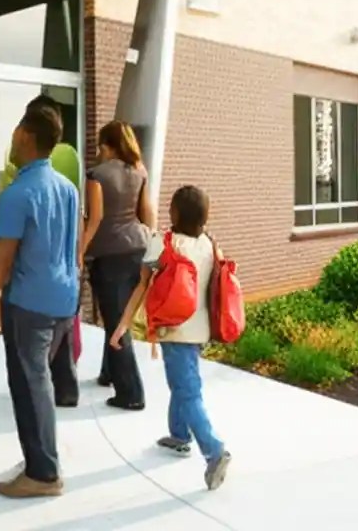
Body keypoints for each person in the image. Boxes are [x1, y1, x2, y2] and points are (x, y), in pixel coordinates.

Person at [0, 106, 80, 499]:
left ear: (26, 136)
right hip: (64, 301)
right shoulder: (67, 188)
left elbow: (1, 261)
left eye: (15, 129)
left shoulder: (17, 194)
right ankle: (38, 459)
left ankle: (44, 473)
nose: (11, 136)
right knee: (39, 383)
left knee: (31, 387)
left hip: (30, 305)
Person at [110, 185, 233, 492]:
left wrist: (122, 324)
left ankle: (213, 451)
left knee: (186, 390)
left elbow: (142, 286)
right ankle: (179, 436)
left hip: (173, 330)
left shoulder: (162, 243)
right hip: (200, 330)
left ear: (175, 212)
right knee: (185, 382)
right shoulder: (210, 244)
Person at [9, 94, 82, 407]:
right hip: (65, 286)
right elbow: (74, 231)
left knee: (34, 379)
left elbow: (8, 251)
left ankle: (43, 455)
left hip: (34, 290)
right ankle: (66, 390)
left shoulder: (24, 184)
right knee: (51, 360)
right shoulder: (67, 175)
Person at [81, 121, 154, 410]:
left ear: (105, 145)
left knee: (115, 322)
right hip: (138, 249)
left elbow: (95, 220)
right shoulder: (140, 172)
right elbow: (147, 213)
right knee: (118, 316)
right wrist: (155, 249)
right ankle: (108, 373)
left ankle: (131, 394)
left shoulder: (96, 175)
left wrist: (80, 251)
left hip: (109, 255)